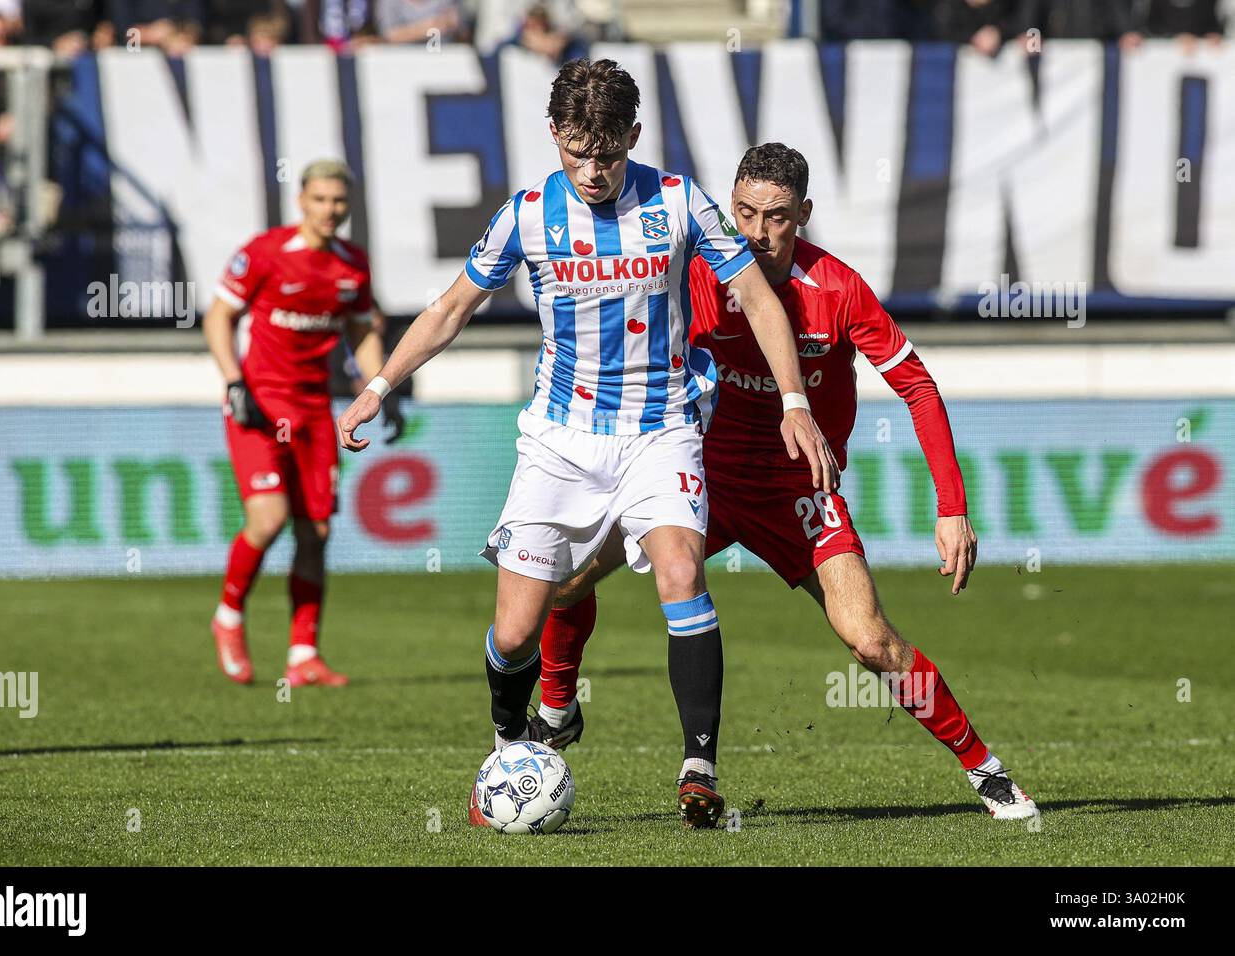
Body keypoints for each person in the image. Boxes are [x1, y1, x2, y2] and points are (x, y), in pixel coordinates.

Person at [336, 59, 836, 828]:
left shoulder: (677, 202)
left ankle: (698, 767)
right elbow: (449, 309)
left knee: (680, 571)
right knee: (513, 632)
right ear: (554, 137)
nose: (593, 169)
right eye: (576, 151)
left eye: (606, 152)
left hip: (659, 430)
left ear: (633, 136)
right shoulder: (528, 214)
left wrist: (794, 401)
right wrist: (378, 387)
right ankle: (515, 746)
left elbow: (757, 299)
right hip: (560, 442)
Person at [530, 143, 1040, 822]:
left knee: (870, 639)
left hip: (799, 493)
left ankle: (988, 773)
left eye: (775, 217)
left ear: (802, 214)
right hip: (696, 479)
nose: (756, 232)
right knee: (560, 578)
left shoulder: (837, 289)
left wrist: (952, 507)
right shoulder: (697, 273)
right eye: (743, 212)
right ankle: (560, 711)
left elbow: (916, 385)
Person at [202, 159, 395, 688]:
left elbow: (362, 333)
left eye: (339, 201)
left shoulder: (352, 266)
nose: (331, 210)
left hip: (313, 409)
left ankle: (303, 654)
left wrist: (379, 389)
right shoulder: (264, 253)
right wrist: (232, 381)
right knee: (268, 519)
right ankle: (228, 615)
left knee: (317, 531)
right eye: (321, 199)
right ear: (301, 201)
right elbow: (219, 317)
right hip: (260, 404)